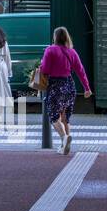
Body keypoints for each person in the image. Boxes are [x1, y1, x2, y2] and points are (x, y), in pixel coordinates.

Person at [39, 26, 91, 156]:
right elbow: (80, 70)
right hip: (69, 86)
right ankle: (65, 147)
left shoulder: (50, 50)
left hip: (55, 86)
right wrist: (87, 88)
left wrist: (42, 64)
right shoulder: (72, 52)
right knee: (65, 118)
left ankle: (64, 137)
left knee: (53, 117)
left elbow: (45, 70)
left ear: (55, 37)